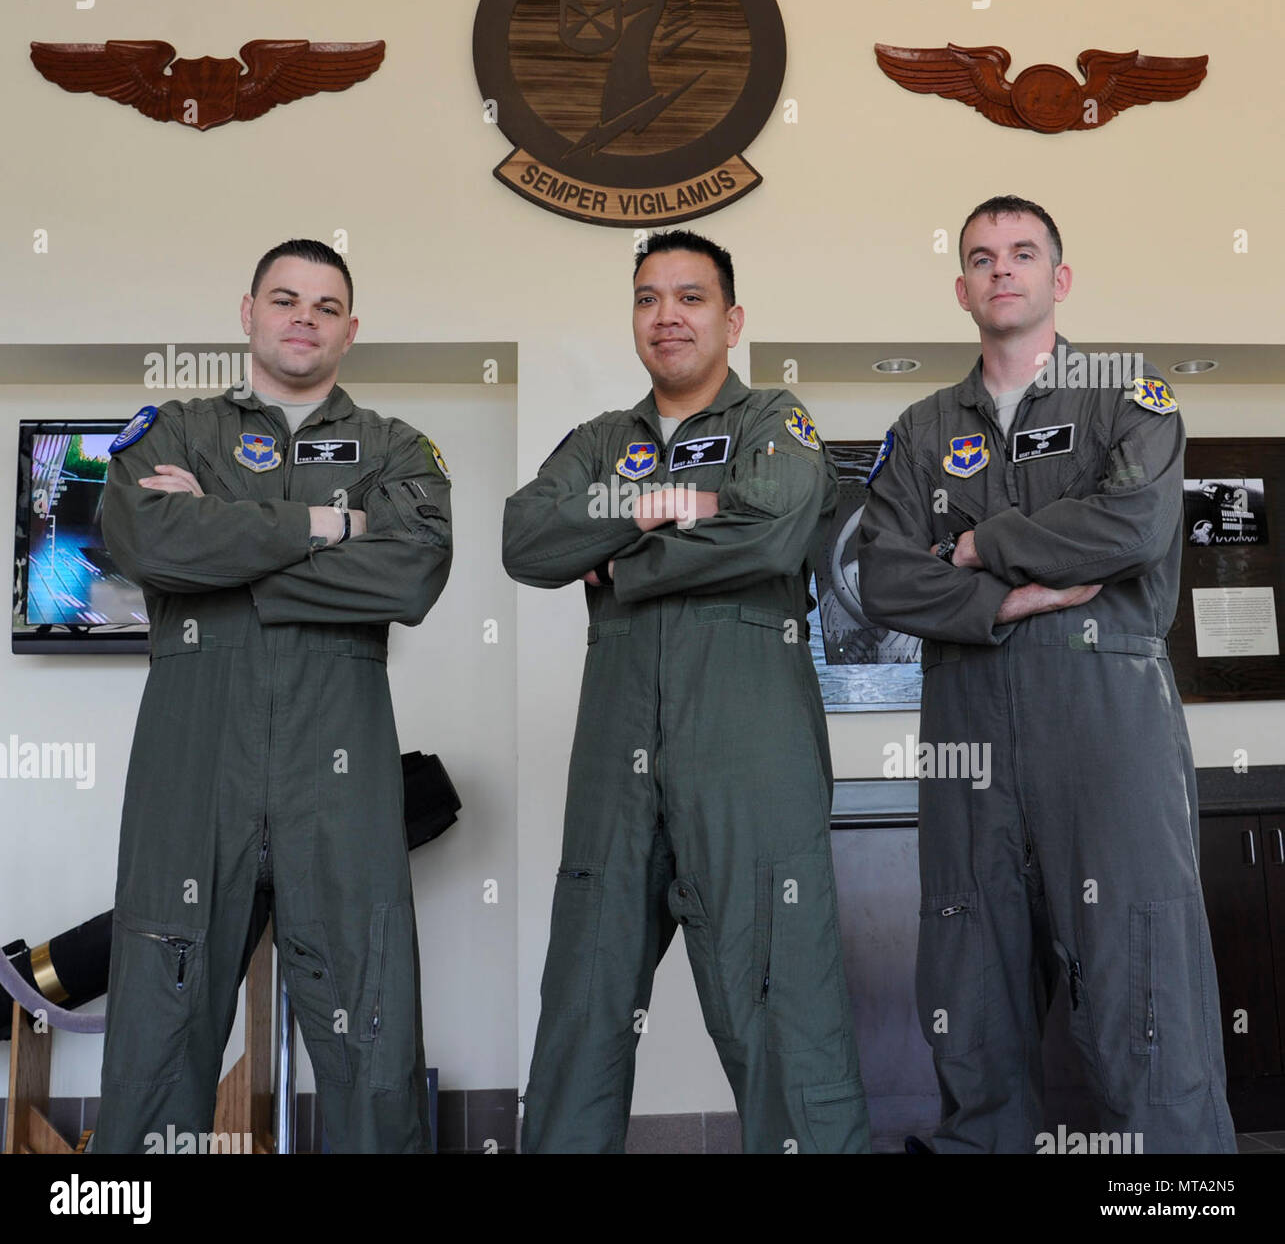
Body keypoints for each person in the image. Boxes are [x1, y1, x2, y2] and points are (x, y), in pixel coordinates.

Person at [856, 196, 1235, 1153]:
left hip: (1107, 723)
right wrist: (1002, 601)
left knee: (1141, 979)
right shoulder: (921, 425)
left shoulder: (1127, 395)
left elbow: (1135, 526)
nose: (1002, 269)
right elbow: (880, 576)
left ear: (1058, 279)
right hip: (967, 730)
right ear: (961, 289)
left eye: (1023, 252)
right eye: (981, 256)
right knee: (969, 983)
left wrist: (978, 543)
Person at [504, 230, 869, 1154]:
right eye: (647, 298)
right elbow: (528, 539)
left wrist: (621, 562)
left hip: (749, 759)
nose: (667, 316)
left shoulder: (774, 423)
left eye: (690, 297)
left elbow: (773, 528)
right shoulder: (600, 440)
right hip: (613, 772)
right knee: (582, 1010)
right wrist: (673, 501)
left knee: (782, 1012)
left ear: (732, 318)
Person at [88, 239, 452, 1153]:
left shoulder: (396, 448)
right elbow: (145, 539)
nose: (304, 318)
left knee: (368, 1021)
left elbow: (406, 578)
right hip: (193, 760)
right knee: (158, 1019)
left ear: (351, 331)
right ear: (247, 314)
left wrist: (221, 543)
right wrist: (328, 525)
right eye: (284, 299)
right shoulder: (175, 431)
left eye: (326, 307)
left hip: (338, 767)